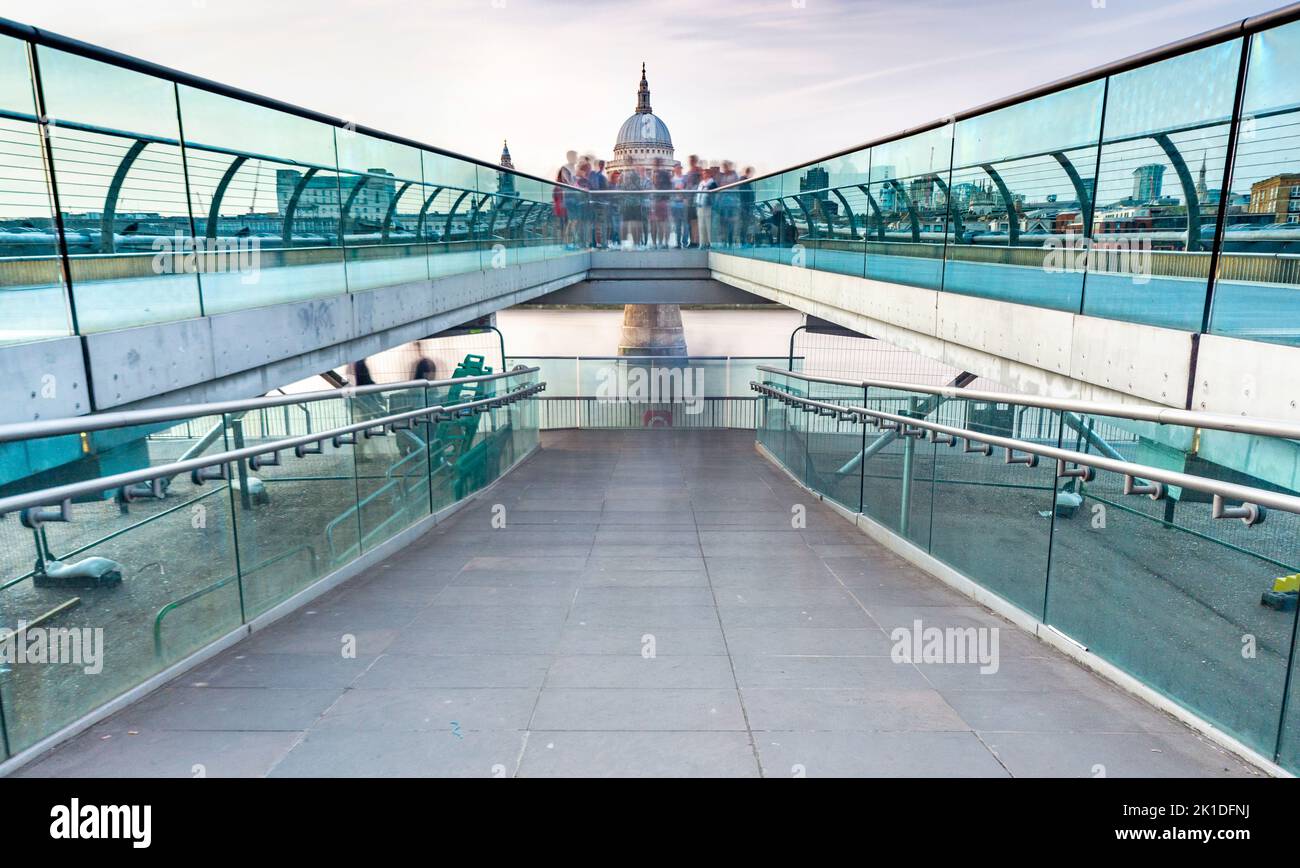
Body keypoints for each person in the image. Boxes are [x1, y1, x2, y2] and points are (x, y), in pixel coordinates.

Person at [619, 168, 646, 247]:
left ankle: (624, 243)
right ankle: (636, 243)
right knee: (635, 224)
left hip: (628, 206)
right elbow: (643, 194)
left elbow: (621, 194)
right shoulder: (638, 186)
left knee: (627, 225)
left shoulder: (625, 185)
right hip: (634, 206)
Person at [695, 166, 718, 249]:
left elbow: (714, 195)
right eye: (703, 173)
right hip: (700, 206)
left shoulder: (712, 183)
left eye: (705, 173)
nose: (703, 175)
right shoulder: (701, 183)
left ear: (709, 174)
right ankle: (702, 243)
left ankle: (711, 243)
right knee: (701, 226)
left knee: (709, 225)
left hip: (708, 206)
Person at [682, 155, 702, 247]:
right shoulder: (689, 172)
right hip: (689, 201)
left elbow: (700, 185)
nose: (690, 162)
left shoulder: (698, 171)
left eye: (692, 160)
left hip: (696, 201)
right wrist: (685, 197)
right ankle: (692, 241)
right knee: (690, 222)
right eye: (690, 160)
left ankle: (696, 241)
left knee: (695, 222)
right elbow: (686, 186)